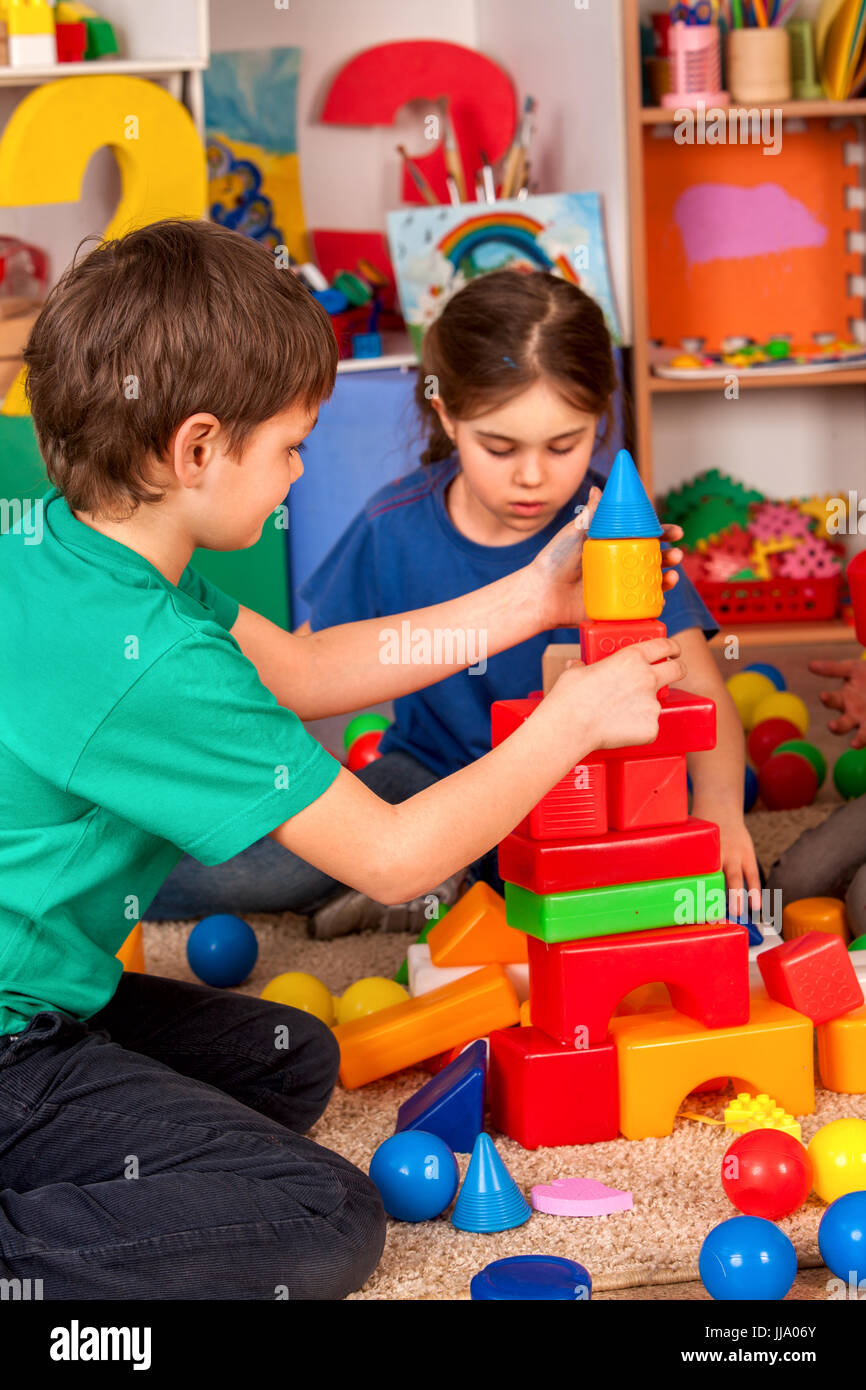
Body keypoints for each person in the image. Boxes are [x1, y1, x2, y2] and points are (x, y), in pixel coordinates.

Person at [0, 221, 685, 1299]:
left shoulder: (76, 544)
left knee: (290, 1060)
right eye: (289, 447)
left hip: (45, 990)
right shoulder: (154, 663)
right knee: (320, 1217)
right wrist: (573, 721)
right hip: (14, 1036)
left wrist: (532, 598)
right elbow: (396, 860)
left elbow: (308, 667)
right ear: (195, 449)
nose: (299, 471)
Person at [152, 270, 758, 938]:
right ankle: (431, 880)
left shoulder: (619, 538)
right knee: (274, 869)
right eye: (499, 447)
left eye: (564, 445)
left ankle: (441, 887)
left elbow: (701, 695)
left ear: (600, 420)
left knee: (611, 889)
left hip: (590, 787)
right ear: (446, 415)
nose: (532, 476)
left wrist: (722, 813)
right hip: (432, 781)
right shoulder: (395, 524)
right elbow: (301, 666)